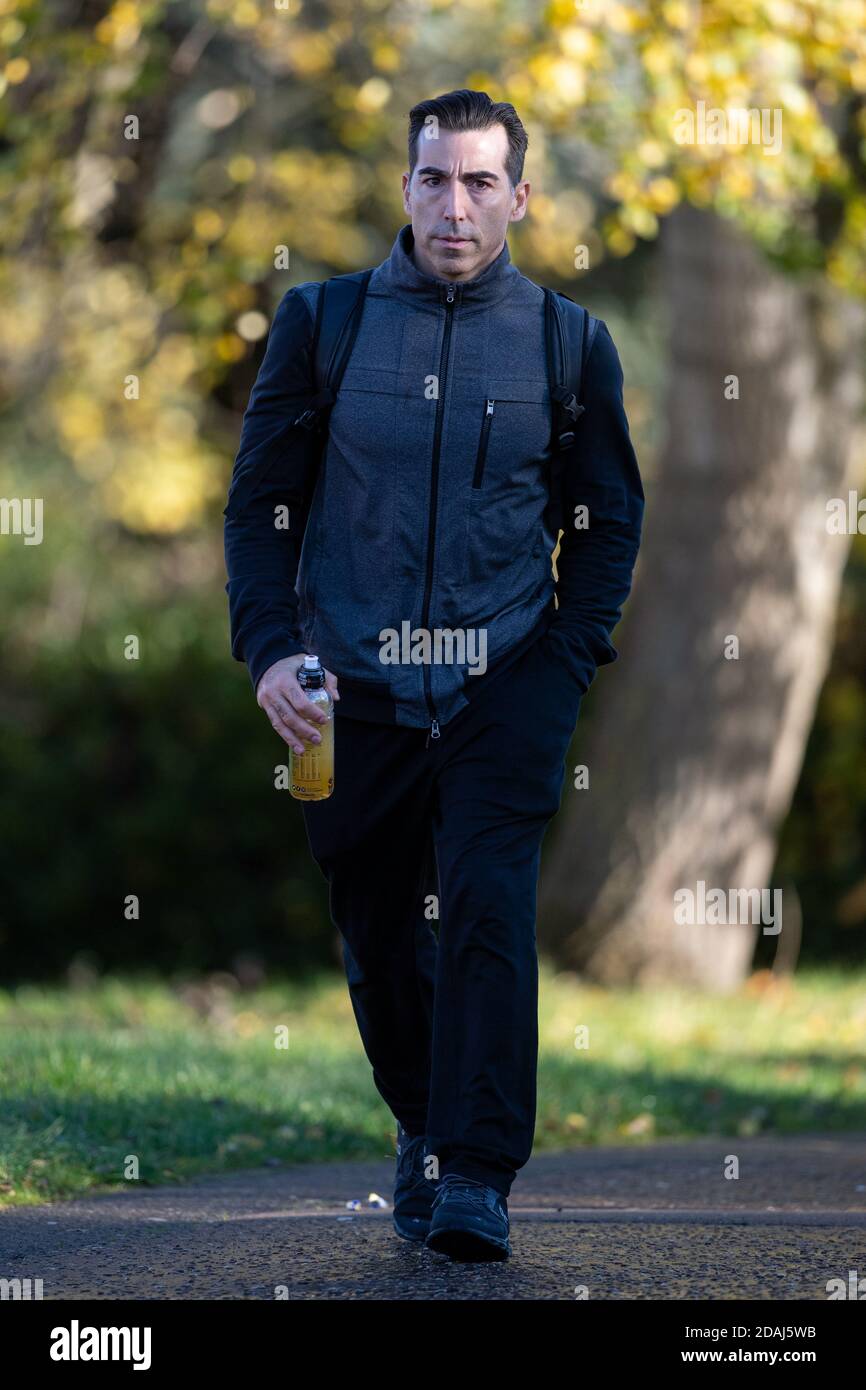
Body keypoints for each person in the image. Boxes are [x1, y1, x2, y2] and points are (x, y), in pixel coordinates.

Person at [223, 88, 644, 1263]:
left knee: (485, 915)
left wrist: (565, 659)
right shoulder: (325, 324)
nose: (453, 206)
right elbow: (261, 509)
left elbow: (608, 520)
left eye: (477, 183)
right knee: (375, 925)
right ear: (402, 188)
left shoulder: (568, 343)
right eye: (431, 180)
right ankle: (419, 1122)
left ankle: (474, 1173)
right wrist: (268, 650)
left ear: (519, 196)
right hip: (341, 689)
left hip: (503, 675)